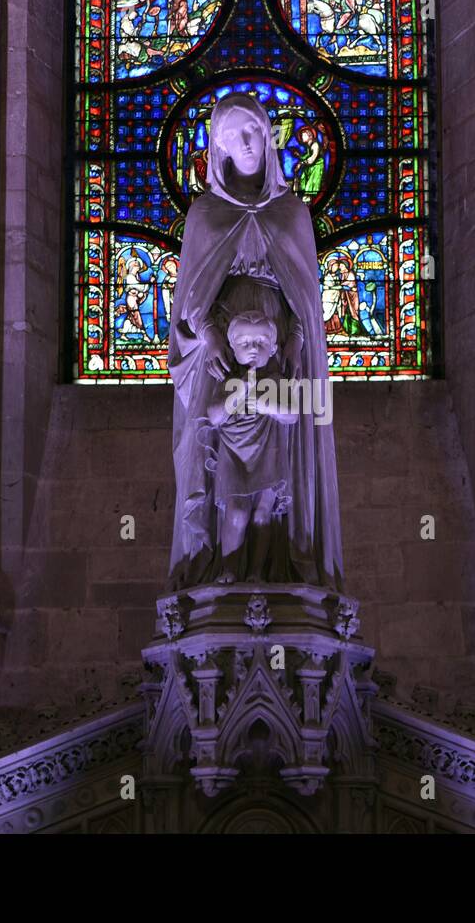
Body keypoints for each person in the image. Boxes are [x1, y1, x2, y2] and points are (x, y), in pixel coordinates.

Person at [168, 92, 343, 590]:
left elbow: (305, 297)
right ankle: (218, 571)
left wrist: (297, 341)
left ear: (268, 136)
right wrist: (208, 334)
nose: (247, 143)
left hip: (279, 349)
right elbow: (189, 302)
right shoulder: (205, 215)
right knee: (221, 461)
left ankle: (280, 571)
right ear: (218, 147)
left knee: (280, 462)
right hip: (219, 354)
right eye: (233, 135)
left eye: (254, 131)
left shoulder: (291, 213)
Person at [205, 311, 298, 583]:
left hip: (268, 451)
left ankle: (256, 572)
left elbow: (292, 413)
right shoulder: (227, 379)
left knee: (262, 512)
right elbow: (213, 415)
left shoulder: (276, 381)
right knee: (236, 510)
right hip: (234, 452)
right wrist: (240, 392)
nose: (253, 349)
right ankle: (230, 567)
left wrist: (263, 403)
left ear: (272, 349)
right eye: (245, 344)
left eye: (260, 343)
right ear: (232, 348)